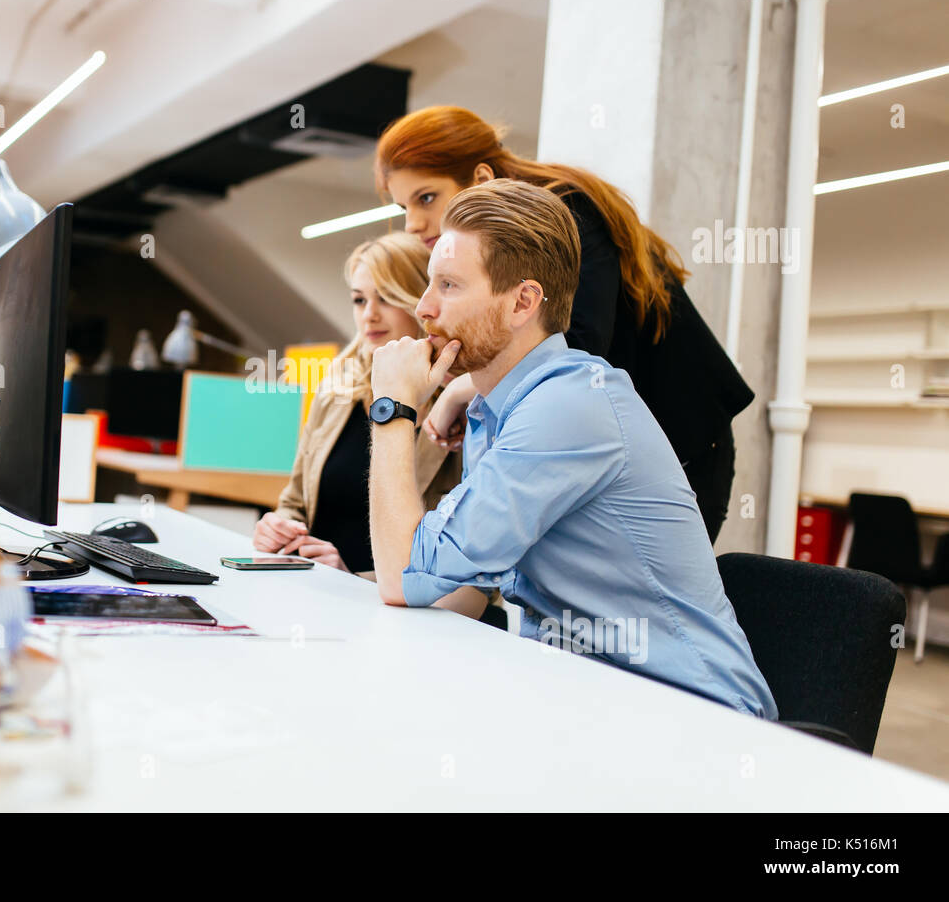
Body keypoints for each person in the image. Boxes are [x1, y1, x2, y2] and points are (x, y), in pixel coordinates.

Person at [367, 179, 776, 718]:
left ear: (523, 302)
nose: (424, 308)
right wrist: (358, 583)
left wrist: (394, 408)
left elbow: (405, 578)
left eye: (448, 286)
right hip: (583, 693)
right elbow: (458, 583)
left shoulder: (568, 405)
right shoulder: (499, 411)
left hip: (693, 714)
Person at [375, 106, 752, 543]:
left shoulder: (562, 214)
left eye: (426, 198)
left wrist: (464, 389)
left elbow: (577, 343)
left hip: (684, 438)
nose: (411, 223)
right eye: (404, 206)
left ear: (480, 178)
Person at [252, 233, 508, 627]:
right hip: (315, 608)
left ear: (420, 301)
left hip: (419, 628)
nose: (368, 315)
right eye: (359, 299)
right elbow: (294, 503)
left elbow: (471, 578)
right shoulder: (337, 391)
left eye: (385, 297)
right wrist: (278, 530)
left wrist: (351, 580)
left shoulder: (466, 411)